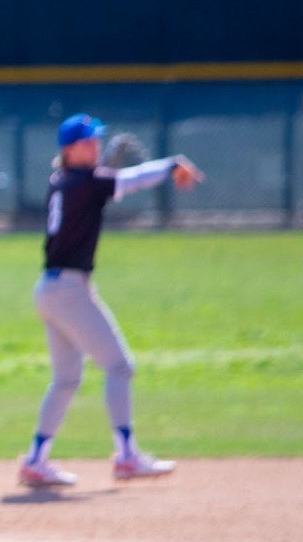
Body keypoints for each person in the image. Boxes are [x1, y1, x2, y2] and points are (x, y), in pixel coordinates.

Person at [16, 114, 204, 489]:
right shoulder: (88, 182)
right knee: (119, 367)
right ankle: (128, 456)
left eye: (96, 140)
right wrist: (171, 164)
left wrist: (101, 177)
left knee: (67, 379)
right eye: (87, 142)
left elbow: (101, 188)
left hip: (49, 290)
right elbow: (131, 180)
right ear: (68, 149)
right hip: (69, 291)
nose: (95, 145)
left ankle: (35, 460)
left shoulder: (65, 181)